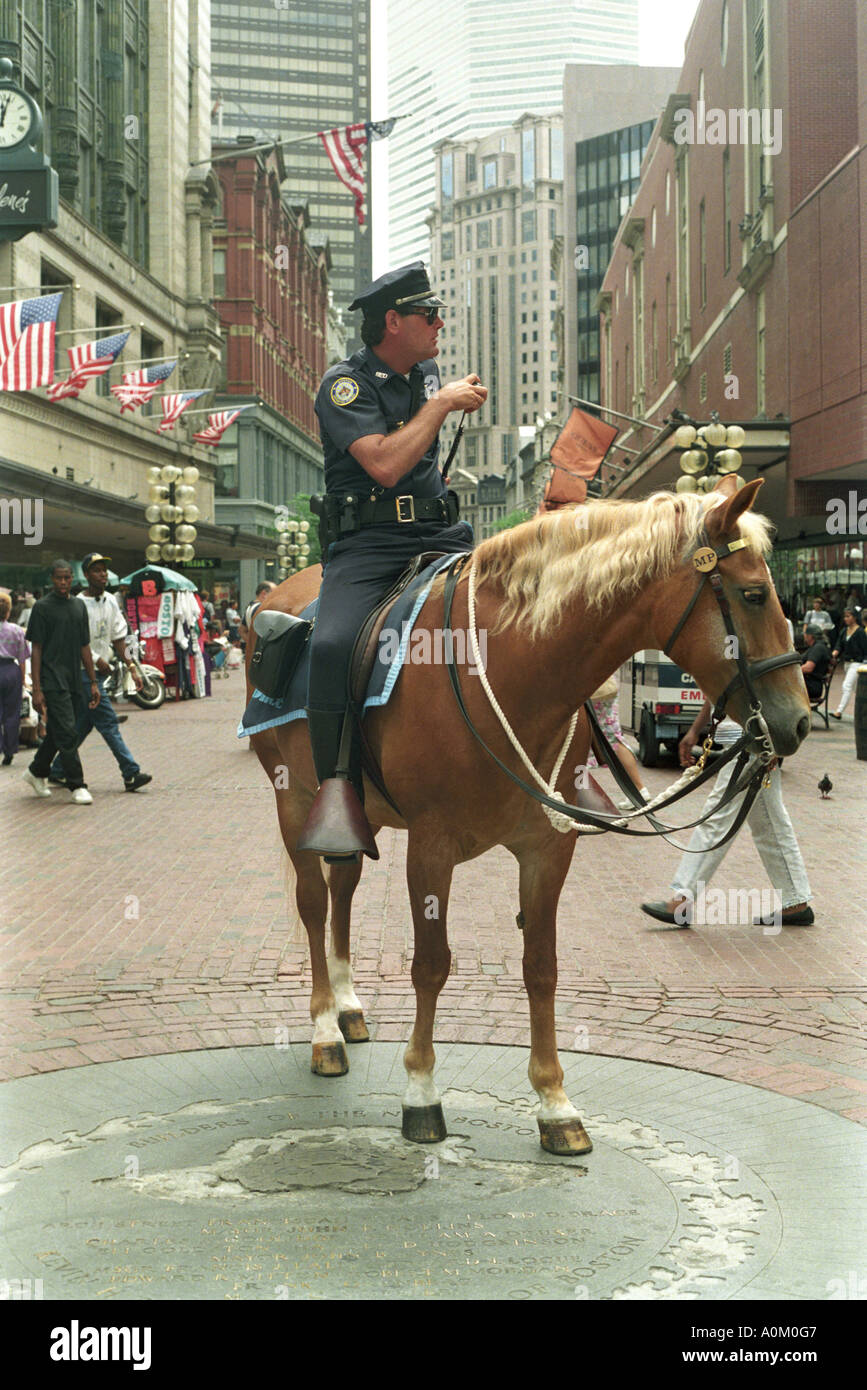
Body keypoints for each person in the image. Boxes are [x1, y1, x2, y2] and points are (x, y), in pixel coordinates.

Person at [297, 260, 487, 859]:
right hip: (369, 548)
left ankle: (575, 767)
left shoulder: (425, 374)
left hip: (442, 534)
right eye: (428, 315)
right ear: (392, 321)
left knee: (533, 605)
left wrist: (442, 404)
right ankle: (337, 797)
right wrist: (443, 407)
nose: (439, 324)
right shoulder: (343, 385)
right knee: (330, 646)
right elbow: (381, 463)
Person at [640, 699, 814, 928]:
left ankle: (682, 901)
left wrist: (771, 742)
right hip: (744, 739)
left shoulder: (740, 659)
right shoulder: (728, 660)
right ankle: (796, 901)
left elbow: (766, 685)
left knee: (717, 818)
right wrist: (695, 729)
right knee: (770, 825)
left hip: (749, 741)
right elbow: (716, 687)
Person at [47, 554, 153, 793]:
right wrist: (96, 660)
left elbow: (119, 638)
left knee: (83, 724)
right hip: (83, 673)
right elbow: (71, 642)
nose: (103, 574)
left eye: (104, 570)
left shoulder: (111, 602)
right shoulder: (76, 604)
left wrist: (132, 667)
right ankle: (130, 773)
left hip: (101, 673)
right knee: (108, 722)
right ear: (86, 575)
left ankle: (56, 768)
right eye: (96, 570)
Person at [22, 559, 100, 804]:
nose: (63, 582)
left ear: (72, 579)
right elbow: (36, 649)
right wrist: (37, 689)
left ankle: (36, 770)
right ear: (52, 580)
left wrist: (94, 681)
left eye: (67, 578)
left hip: (74, 679)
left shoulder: (78, 607)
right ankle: (77, 785)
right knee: (67, 731)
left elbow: (84, 646)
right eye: (59, 578)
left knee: (60, 731)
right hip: (51, 679)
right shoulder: (42, 608)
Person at [586, 671, 650, 809]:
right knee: (612, 737)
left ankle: (580, 793)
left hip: (592, 686)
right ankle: (639, 789)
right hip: (605, 685)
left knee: (580, 739)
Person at [0, 591, 30, 766]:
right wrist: (23, 678)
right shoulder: (17, 630)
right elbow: (22, 657)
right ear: (8, 611)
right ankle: (10, 751)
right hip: (12, 671)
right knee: (12, 713)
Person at [830, 606, 867, 719]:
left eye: (848, 616)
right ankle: (862, 712)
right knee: (856, 689)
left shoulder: (860, 632)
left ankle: (839, 711)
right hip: (847, 663)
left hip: (857, 663)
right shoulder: (844, 631)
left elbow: (865, 648)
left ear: (854, 618)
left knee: (847, 685)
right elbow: (839, 645)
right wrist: (834, 654)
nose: (846, 619)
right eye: (845, 616)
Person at [800, 624, 832, 699]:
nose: (804, 636)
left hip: (812, 686)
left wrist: (791, 671)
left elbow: (808, 668)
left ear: (810, 636)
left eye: (805, 634)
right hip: (809, 683)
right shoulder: (816, 646)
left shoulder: (818, 648)